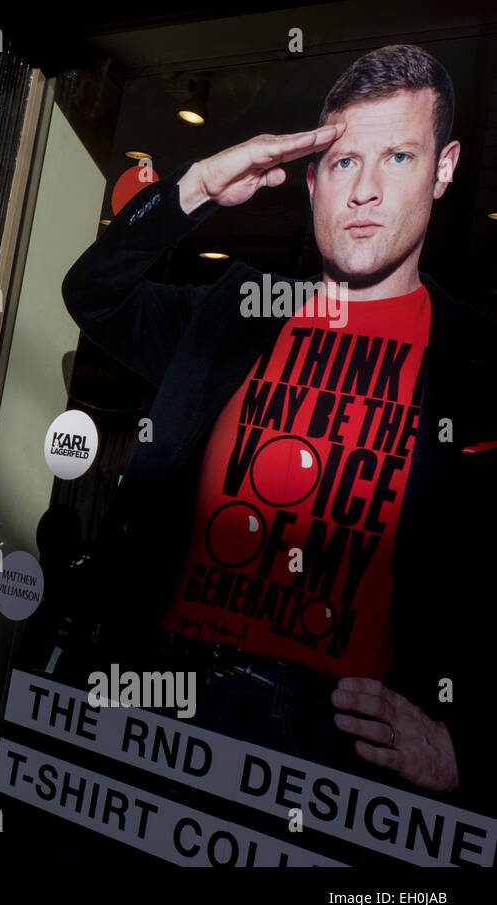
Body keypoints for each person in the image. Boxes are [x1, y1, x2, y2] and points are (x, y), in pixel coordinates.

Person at [62, 44, 493, 815]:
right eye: (341, 163)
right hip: (160, 704)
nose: (363, 190)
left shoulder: (479, 365)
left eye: (398, 156)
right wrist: (192, 188)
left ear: (444, 167)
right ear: (310, 180)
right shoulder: (236, 311)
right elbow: (93, 295)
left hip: (337, 757)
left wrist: (467, 748)